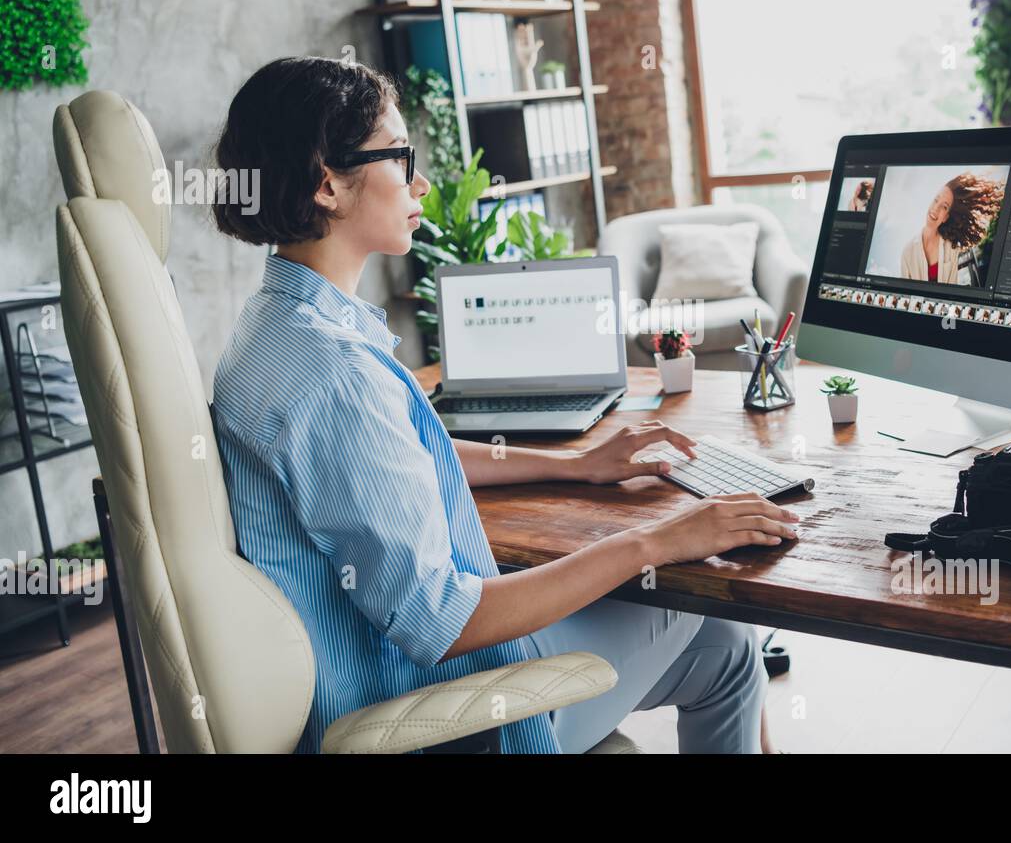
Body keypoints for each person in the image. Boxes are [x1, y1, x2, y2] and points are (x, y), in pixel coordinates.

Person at [209, 57, 797, 754]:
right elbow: (439, 621)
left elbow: (400, 456)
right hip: (440, 714)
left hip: (389, 680)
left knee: (727, 646)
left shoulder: (276, 325)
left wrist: (578, 465)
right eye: (401, 156)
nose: (419, 180)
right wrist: (659, 541)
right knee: (711, 615)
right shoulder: (334, 372)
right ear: (328, 182)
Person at [899, 173, 1003, 283]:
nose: (936, 208)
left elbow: (952, 284)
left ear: (946, 217)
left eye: (944, 207)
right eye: (936, 200)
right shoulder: (907, 252)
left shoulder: (951, 248)